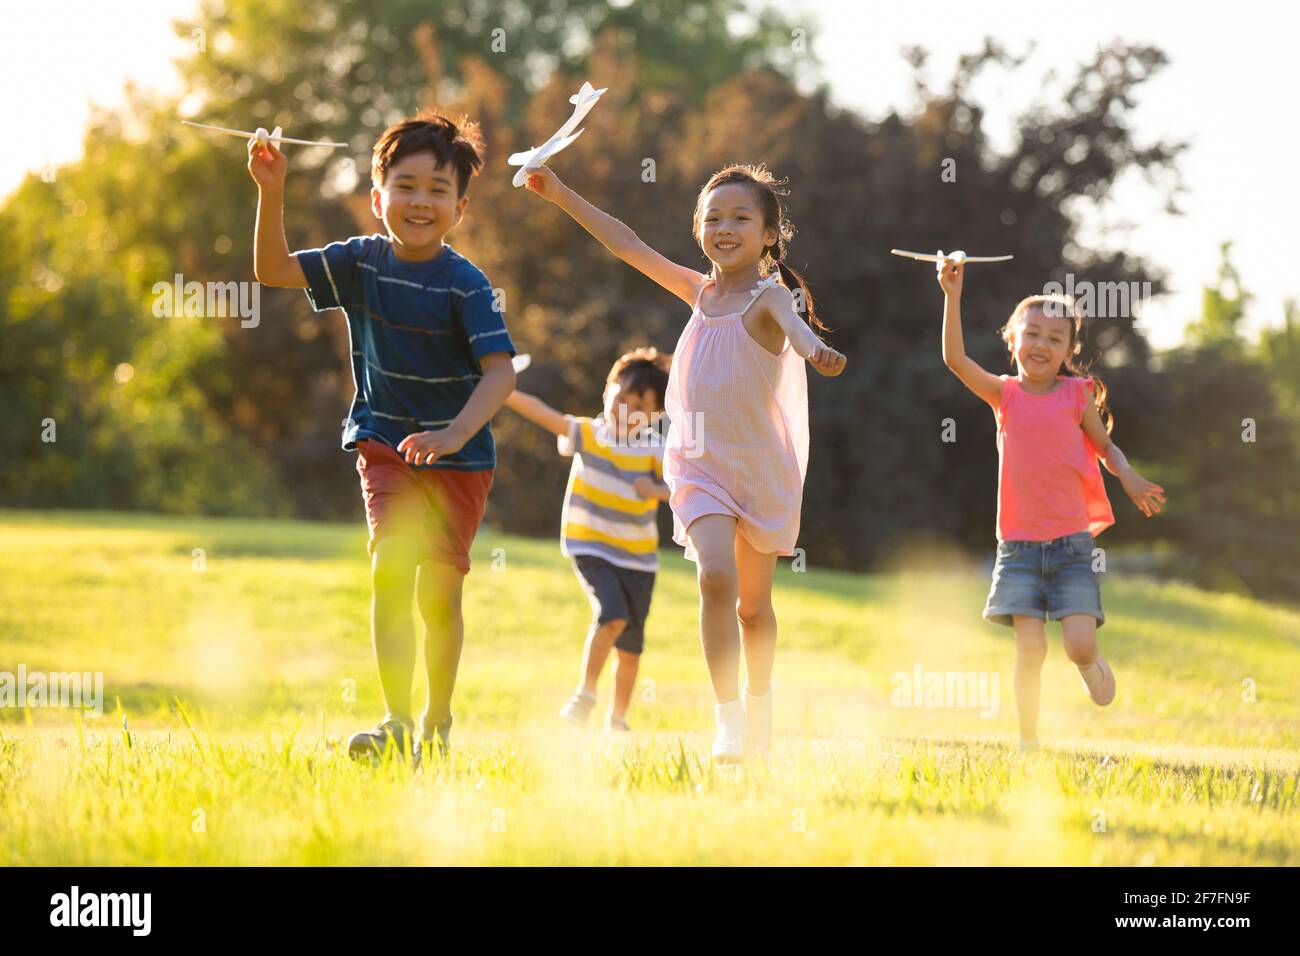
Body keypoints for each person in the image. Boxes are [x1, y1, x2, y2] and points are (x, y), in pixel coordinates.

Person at [523, 161, 846, 762]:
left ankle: (761, 704)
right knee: (715, 576)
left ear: (769, 234)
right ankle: (728, 722)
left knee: (753, 608)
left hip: (763, 470)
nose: (725, 227)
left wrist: (818, 350)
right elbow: (628, 244)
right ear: (699, 226)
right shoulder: (697, 292)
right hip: (699, 466)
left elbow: (797, 333)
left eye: (741, 218)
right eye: (713, 217)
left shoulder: (770, 297)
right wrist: (561, 192)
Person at [247, 110, 517, 764]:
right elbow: (274, 271)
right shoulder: (360, 262)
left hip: (460, 460)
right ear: (378, 197)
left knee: (439, 597)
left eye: (437, 190)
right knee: (392, 569)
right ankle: (396, 723)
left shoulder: (466, 284)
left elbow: (502, 373)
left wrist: (455, 431)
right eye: (406, 184)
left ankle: (438, 721)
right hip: (386, 446)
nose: (420, 200)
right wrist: (271, 190)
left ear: (459, 208)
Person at [935, 255, 1166, 749]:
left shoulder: (1077, 396)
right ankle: (1028, 741)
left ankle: (1090, 664)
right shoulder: (1005, 395)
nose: (1041, 345)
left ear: (1068, 350)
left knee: (1078, 643)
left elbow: (1105, 447)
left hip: (1070, 547)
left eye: (1054, 338)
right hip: (1017, 548)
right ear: (1012, 340)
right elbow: (955, 360)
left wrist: (1125, 475)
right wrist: (952, 297)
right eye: (1032, 334)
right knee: (1030, 648)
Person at [503, 348, 672, 731]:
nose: (626, 410)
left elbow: (685, 489)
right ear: (607, 391)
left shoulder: (655, 449)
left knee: (630, 648)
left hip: (639, 559)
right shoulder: (589, 433)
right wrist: (504, 390)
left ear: (655, 415)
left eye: (639, 407)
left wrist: (657, 490)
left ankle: (618, 719)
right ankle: (585, 695)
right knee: (612, 616)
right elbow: (544, 414)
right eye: (621, 398)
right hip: (592, 547)